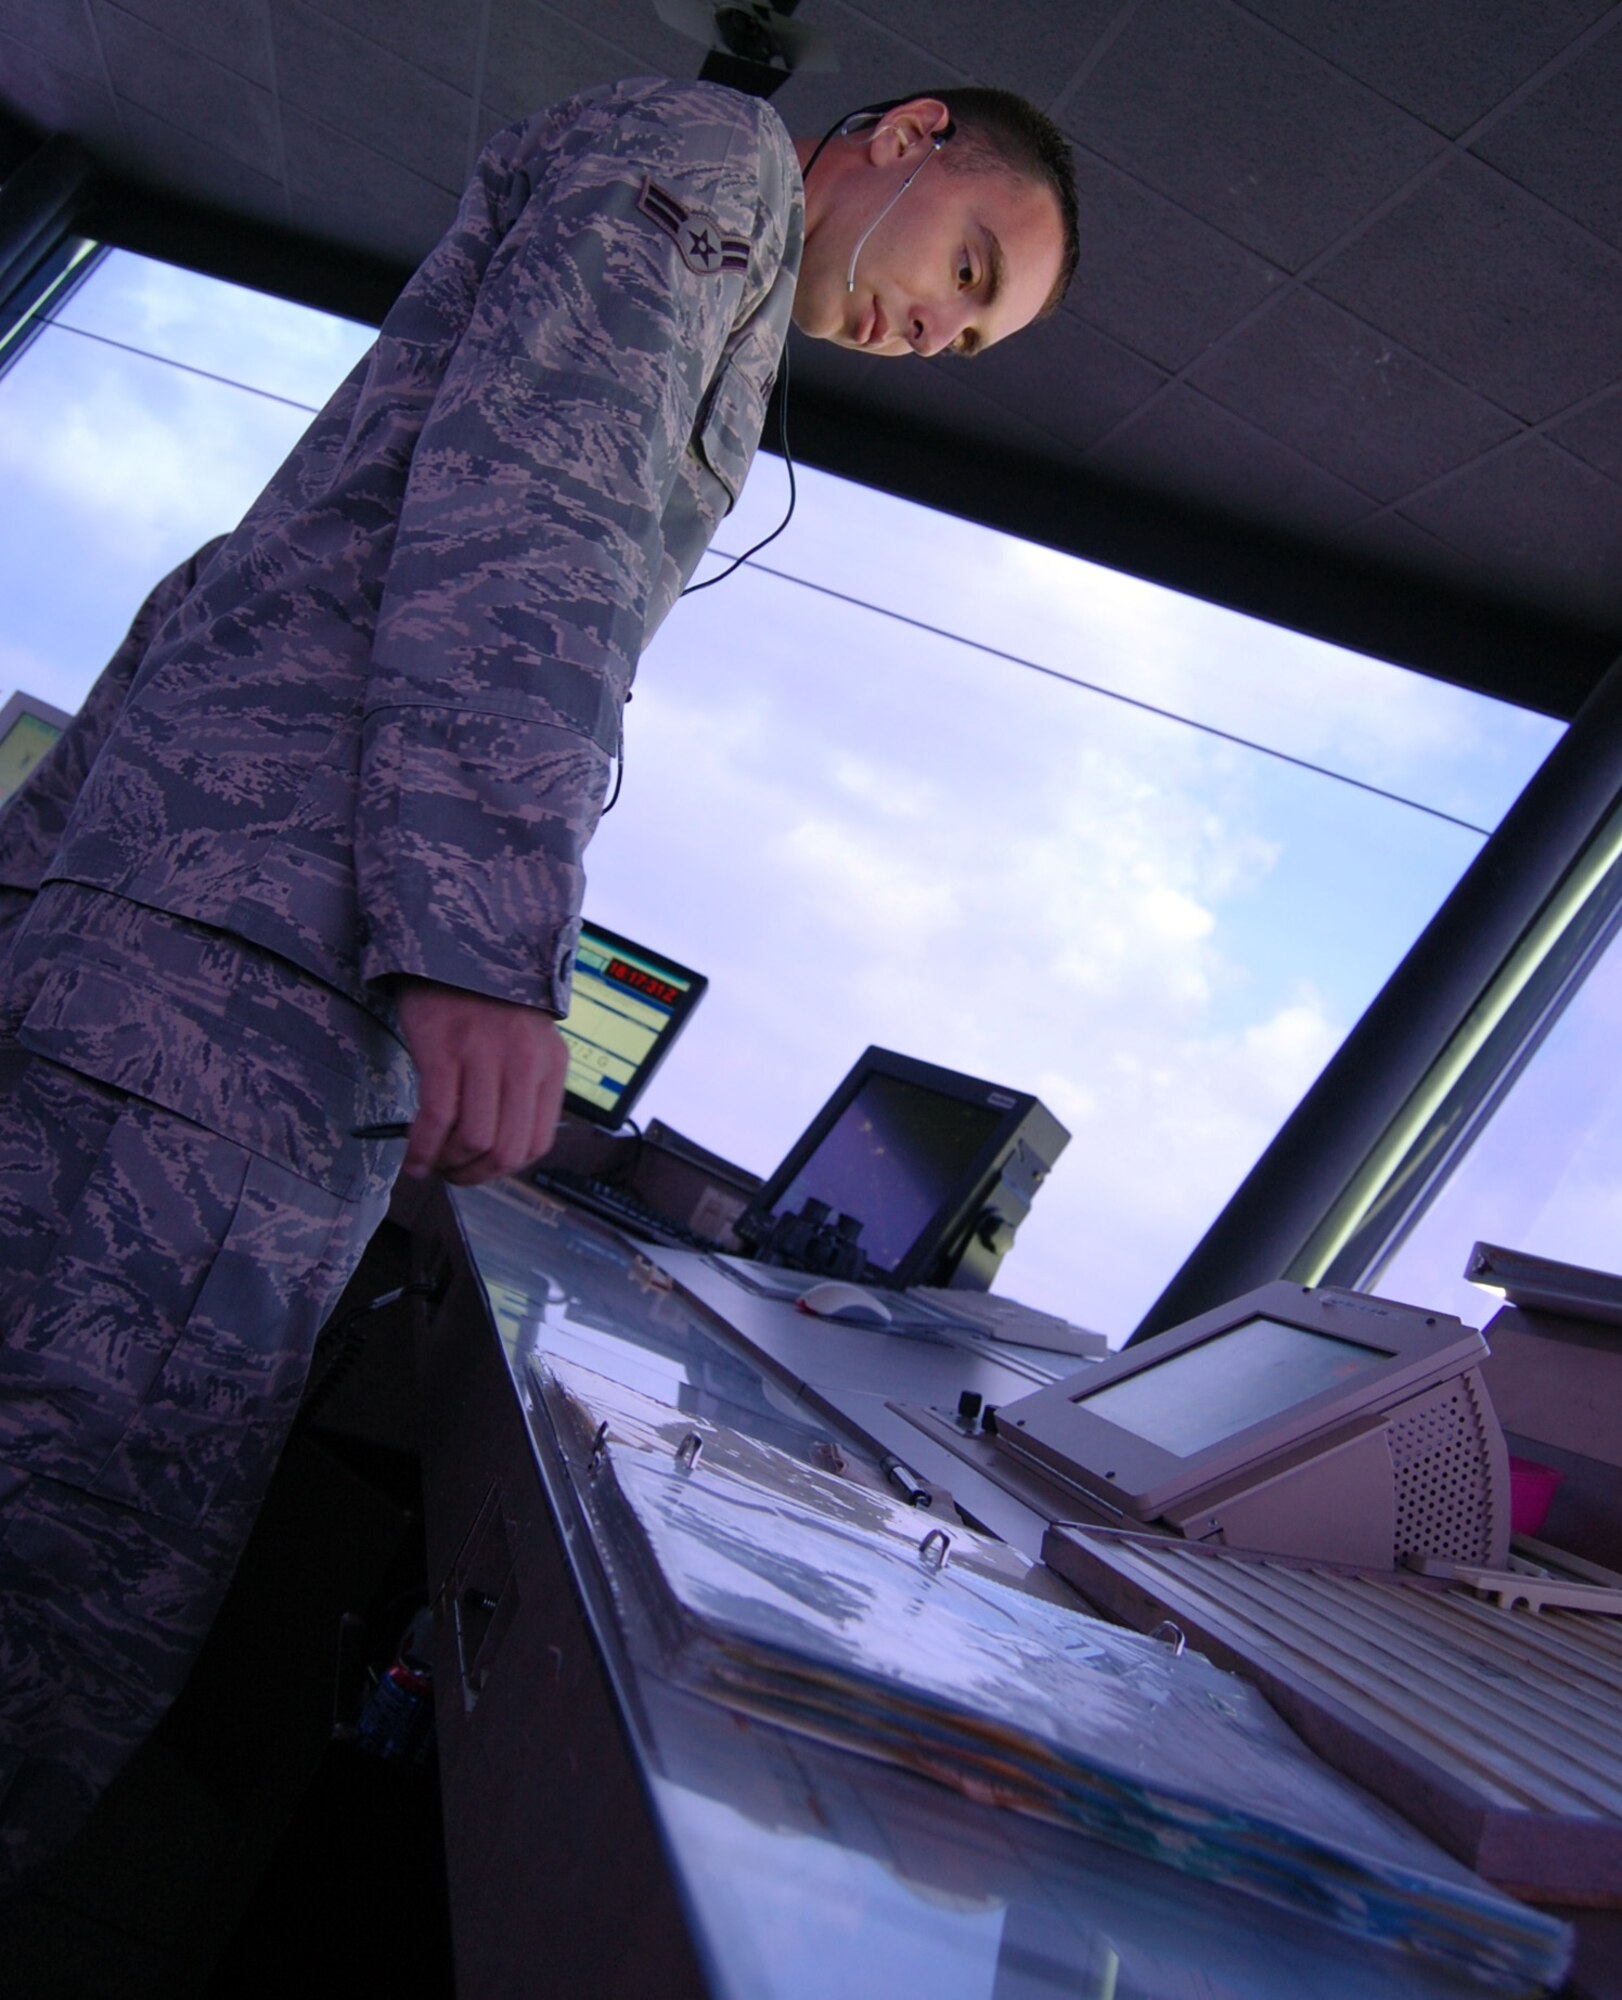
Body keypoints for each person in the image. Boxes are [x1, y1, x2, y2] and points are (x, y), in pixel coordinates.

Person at [0, 76, 1077, 1883]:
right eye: (968, 263)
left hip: (223, 949)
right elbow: (539, 509)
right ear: (901, 133)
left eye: (971, 335)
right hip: (238, 980)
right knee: (56, 1561)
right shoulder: (711, 167)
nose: (934, 328)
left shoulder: (710, 250)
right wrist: (485, 949)